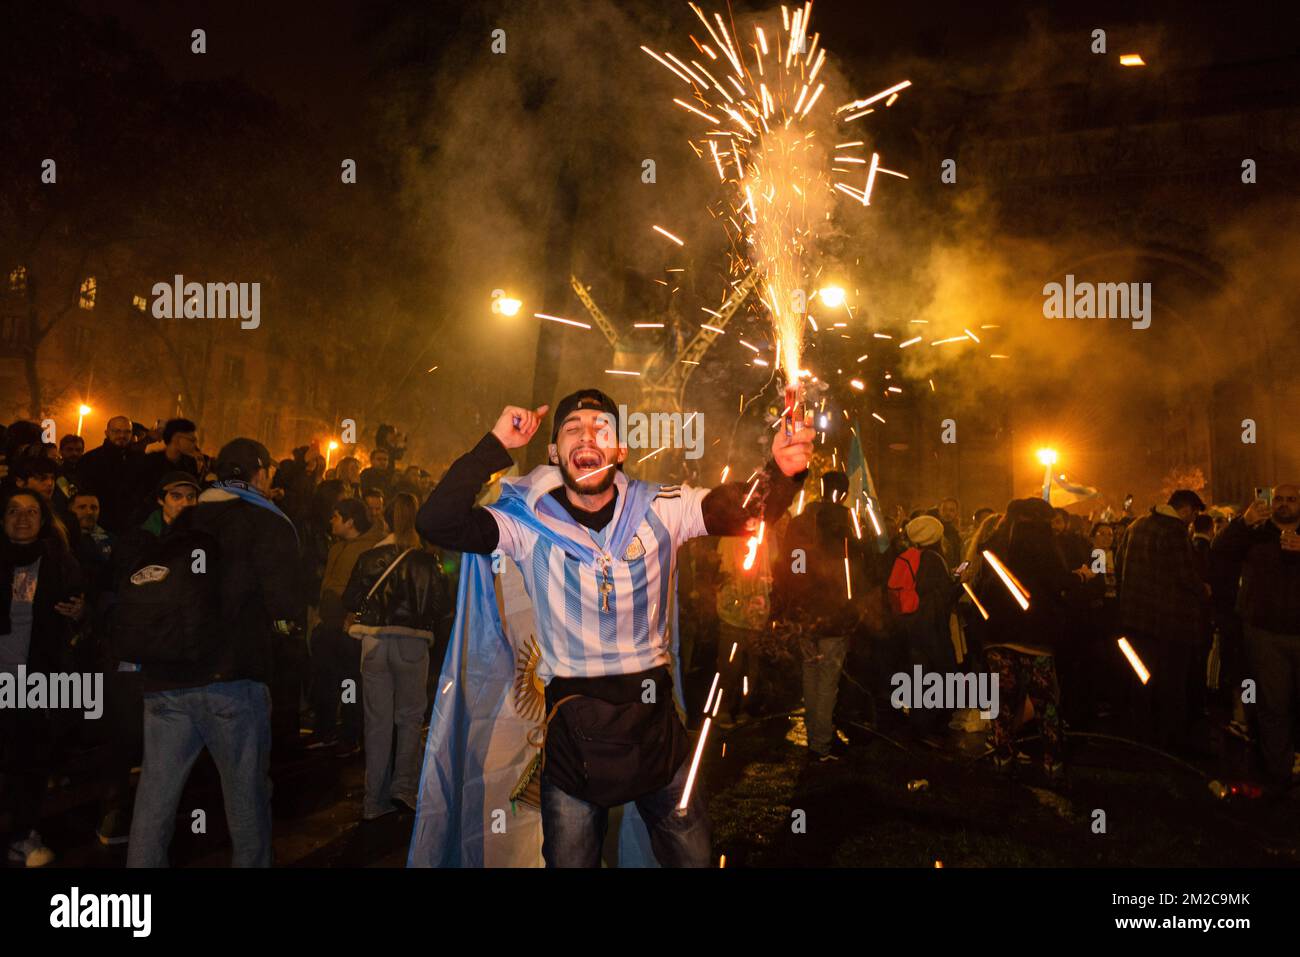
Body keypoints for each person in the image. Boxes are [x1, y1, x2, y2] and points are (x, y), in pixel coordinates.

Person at [415, 389, 810, 867]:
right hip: (573, 730)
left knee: (693, 861)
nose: (587, 436)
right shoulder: (525, 523)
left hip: (655, 726)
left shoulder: (661, 507)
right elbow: (436, 522)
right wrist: (496, 444)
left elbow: (748, 511)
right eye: (573, 429)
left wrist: (783, 472)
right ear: (554, 452)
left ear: (621, 450)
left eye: (602, 428)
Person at [125, 440, 300, 867]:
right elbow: (286, 606)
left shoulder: (184, 519)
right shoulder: (267, 520)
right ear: (258, 472)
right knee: (246, 801)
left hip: (166, 679)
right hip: (232, 680)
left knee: (154, 801)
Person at [95, 472, 199, 846]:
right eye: (176, 495)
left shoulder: (199, 543)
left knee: (173, 737)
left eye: (191, 496)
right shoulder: (139, 539)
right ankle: (116, 810)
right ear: (161, 500)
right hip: (132, 655)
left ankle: (168, 807)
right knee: (124, 734)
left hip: (173, 657)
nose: (184, 502)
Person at [342, 492, 452, 820]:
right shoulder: (426, 560)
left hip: (373, 643)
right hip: (412, 645)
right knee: (409, 718)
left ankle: (373, 801)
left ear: (386, 521)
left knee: (376, 722)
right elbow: (441, 606)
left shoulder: (368, 557)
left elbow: (350, 599)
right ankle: (403, 788)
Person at [0, 489, 85, 866]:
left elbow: (84, 607)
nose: (23, 518)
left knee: (29, 760)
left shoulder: (58, 560)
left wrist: (81, 611)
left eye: (32, 511)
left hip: (36, 677)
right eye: (14, 511)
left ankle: (22, 834)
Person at [976, 497, 1085, 784]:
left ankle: (1003, 757)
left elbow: (982, 585)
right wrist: (1082, 578)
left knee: (1002, 701)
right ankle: (1052, 762)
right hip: (1034, 636)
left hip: (998, 636)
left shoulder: (994, 544)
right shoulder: (1041, 545)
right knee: (1045, 701)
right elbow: (1058, 582)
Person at [1212, 485, 1300, 792]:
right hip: (1265, 633)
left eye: (1292, 499)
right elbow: (1219, 552)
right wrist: (1242, 523)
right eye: (1279, 499)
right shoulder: (1255, 532)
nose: (1285, 505)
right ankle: (1279, 773)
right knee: (1273, 704)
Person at [1115, 489, 1208, 755]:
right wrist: (1204, 590)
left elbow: (1120, 564)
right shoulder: (1174, 530)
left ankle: (1141, 736)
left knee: (1142, 679)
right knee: (1173, 684)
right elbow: (1185, 575)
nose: (1193, 520)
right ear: (1188, 509)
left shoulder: (1137, 525)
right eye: (1194, 513)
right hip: (1169, 623)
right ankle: (1171, 743)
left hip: (1135, 620)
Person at [308, 497, 383, 756]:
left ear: (350, 521)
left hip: (348, 631)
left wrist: (352, 616)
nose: (332, 521)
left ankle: (350, 734)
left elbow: (368, 590)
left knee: (350, 683)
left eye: (336, 516)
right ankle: (325, 729)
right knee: (325, 680)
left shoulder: (369, 549)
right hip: (328, 626)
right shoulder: (337, 547)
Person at [888, 513, 962, 745]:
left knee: (919, 676)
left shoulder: (910, 556)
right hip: (931, 629)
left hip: (911, 624)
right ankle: (928, 729)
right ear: (937, 536)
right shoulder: (933, 560)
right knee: (938, 676)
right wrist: (960, 583)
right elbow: (940, 599)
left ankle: (920, 726)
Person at [127, 418, 200, 524]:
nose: (195, 445)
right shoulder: (148, 462)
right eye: (191, 440)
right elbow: (136, 496)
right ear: (176, 439)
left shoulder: (190, 463)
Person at [76, 416, 142, 534]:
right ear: (107, 433)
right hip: (99, 528)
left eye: (127, 432)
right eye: (117, 431)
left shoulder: (139, 461)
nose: (122, 435)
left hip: (131, 528)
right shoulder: (90, 460)